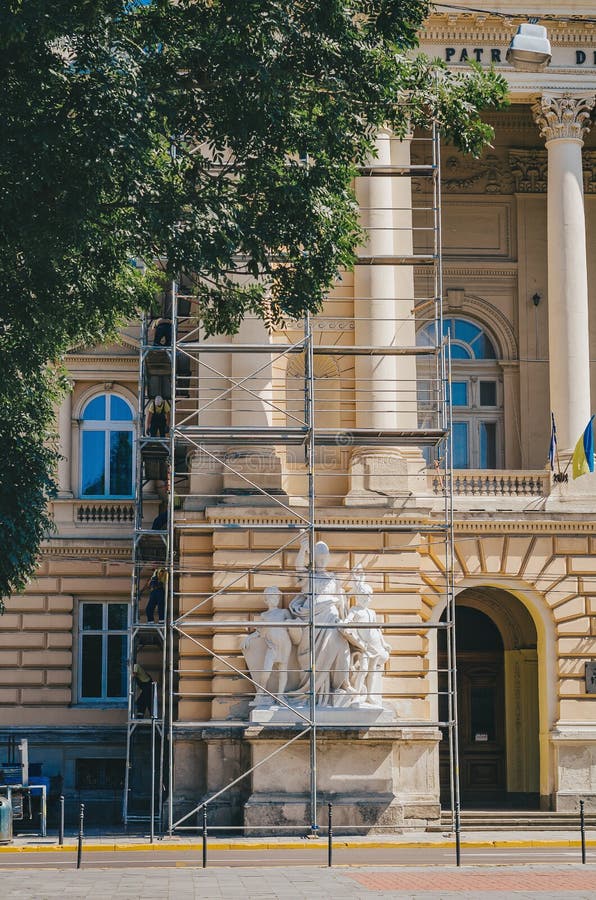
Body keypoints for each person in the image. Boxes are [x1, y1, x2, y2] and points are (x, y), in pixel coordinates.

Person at [341, 565, 390, 707]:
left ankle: (370, 696)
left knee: (372, 671)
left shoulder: (372, 612)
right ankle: (357, 695)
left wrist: (384, 643)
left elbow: (377, 629)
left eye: (367, 597)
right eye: (362, 597)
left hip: (376, 645)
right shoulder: (355, 610)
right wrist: (345, 622)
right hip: (363, 646)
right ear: (358, 597)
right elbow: (347, 621)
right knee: (363, 669)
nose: (364, 599)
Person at [242, 586, 294, 702]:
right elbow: (259, 631)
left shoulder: (284, 612)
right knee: (266, 670)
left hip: (285, 644)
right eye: (271, 597)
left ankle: (280, 695)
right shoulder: (264, 615)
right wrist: (248, 638)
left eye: (276, 596)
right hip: (272, 645)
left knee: (282, 669)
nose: (275, 599)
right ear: (266, 599)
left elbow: (293, 626)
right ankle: (260, 693)